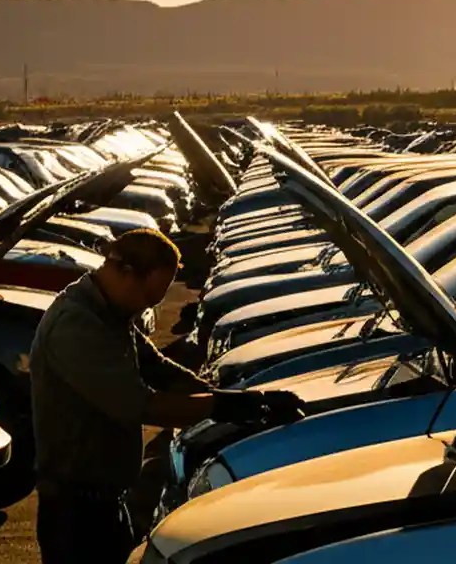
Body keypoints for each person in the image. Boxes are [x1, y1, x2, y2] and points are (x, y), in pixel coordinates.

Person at [29, 229, 303, 564]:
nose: (151, 305)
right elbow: (141, 405)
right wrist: (223, 407)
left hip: (105, 502)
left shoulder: (110, 312)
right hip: (75, 513)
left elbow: (158, 369)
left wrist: (243, 398)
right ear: (126, 271)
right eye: (149, 295)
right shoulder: (77, 325)